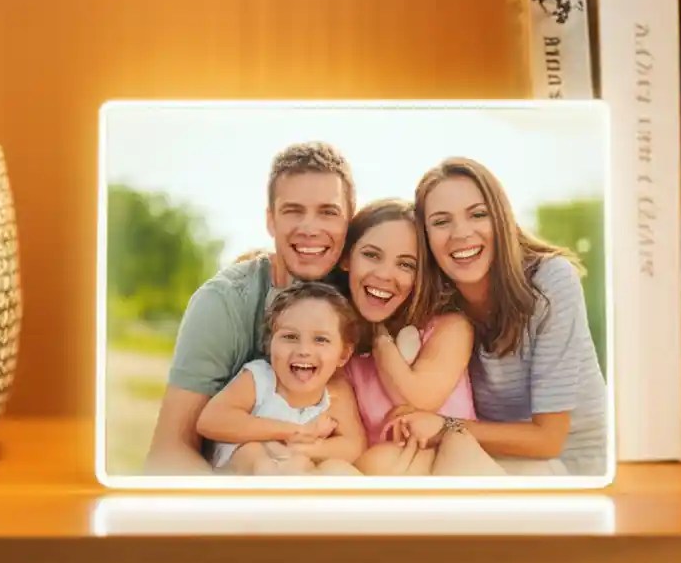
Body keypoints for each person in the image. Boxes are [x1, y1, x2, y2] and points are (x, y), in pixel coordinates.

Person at [143, 141, 365, 475]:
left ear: (348, 222)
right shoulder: (224, 302)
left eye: (328, 212)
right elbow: (168, 453)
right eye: (293, 210)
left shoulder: (362, 295)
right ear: (271, 221)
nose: (309, 227)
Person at [382, 157, 608, 476]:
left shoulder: (551, 281)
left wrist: (446, 426)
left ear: (500, 219)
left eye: (477, 214)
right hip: (490, 459)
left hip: (571, 465)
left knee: (453, 455)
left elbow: (549, 439)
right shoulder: (441, 307)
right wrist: (291, 270)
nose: (461, 233)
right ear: (425, 236)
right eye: (441, 221)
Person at [333, 198, 506, 476]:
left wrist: (379, 336)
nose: (385, 275)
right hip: (394, 480)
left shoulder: (450, 328)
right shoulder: (341, 352)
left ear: (421, 275)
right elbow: (353, 446)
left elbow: (419, 399)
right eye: (372, 255)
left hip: (456, 469)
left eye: (406, 265)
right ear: (345, 258)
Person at [196, 282, 365, 475]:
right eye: (290, 337)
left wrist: (299, 449)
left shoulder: (336, 392)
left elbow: (352, 445)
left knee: (337, 470)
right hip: (244, 469)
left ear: (343, 354)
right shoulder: (259, 379)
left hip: (298, 466)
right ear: (269, 343)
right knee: (256, 455)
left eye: (321, 340)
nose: (303, 351)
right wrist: (293, 431)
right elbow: (211, 420)